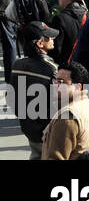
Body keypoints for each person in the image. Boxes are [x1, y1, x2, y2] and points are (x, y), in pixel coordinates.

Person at [42, 61, 89, 160]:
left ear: (78, 87)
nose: (55, 85)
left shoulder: (67, 117)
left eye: (61, 82)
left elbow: (56, 157)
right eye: (55, 81)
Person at [13, 21, 59, 158]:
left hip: (28, 128)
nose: (53, 39)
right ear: (40, 43)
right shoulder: (51, 68)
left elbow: (14, 99)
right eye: (48, 37)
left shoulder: (17, 65)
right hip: (48, 130)